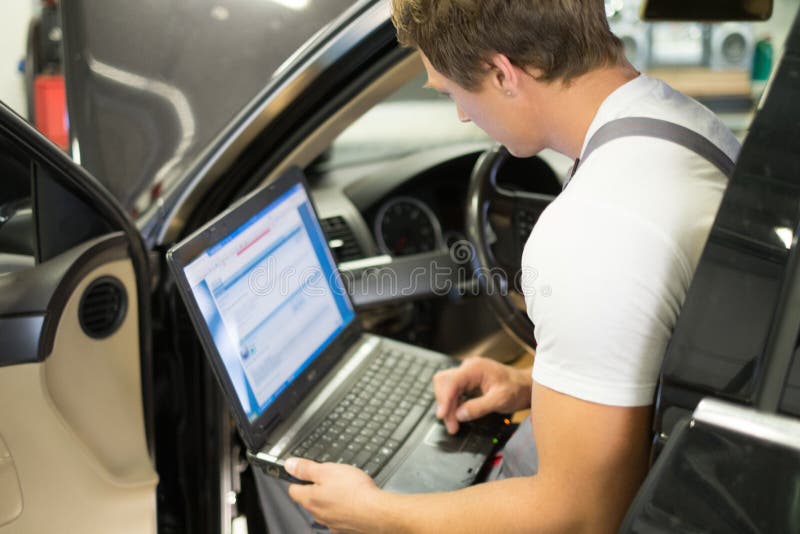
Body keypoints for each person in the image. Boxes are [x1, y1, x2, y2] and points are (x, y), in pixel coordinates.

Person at [278, 0, 740, 532]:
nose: (461, 114)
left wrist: (376, 514)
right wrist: (536, 387)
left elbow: (581, 517)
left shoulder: (596, 225)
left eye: (450, 91)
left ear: (502, 74)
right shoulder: (680, 120)